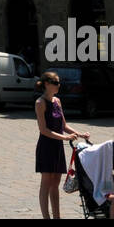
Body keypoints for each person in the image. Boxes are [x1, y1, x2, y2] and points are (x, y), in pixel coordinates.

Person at [35, 71, 90, 219]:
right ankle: (46, 217)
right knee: (46, 182)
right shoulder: (40, 103)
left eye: (59, 83)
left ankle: (57, 216)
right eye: (56, 83)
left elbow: (64, 125)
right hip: (46, 146)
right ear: (47, 84)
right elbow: (44, 130)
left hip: (57, 146)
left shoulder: (57, 101)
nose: (59, 85)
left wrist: (79, 134)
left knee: (56, 183)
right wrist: (65, 138)